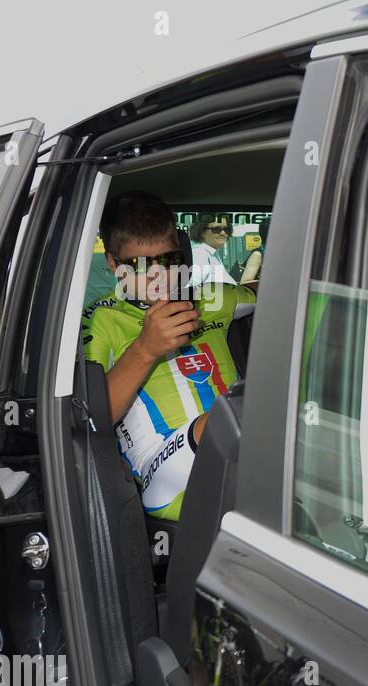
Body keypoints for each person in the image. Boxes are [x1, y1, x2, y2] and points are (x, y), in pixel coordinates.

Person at [82, 192, 255, 520]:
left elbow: (287, 290)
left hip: (239, 442)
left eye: (167, 260)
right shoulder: (101, 318)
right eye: (139, 267)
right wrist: (145, 349)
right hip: (162, 468)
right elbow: (88, 416)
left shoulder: (212, 298)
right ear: (112, 264)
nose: (157, 278)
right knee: (240, 416)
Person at [188, 212, 237, 286]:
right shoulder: (200, 254)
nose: (223, 233)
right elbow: (192, 288)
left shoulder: (211, 253)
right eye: (216, 229)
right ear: (201, 231)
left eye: (226, 229)